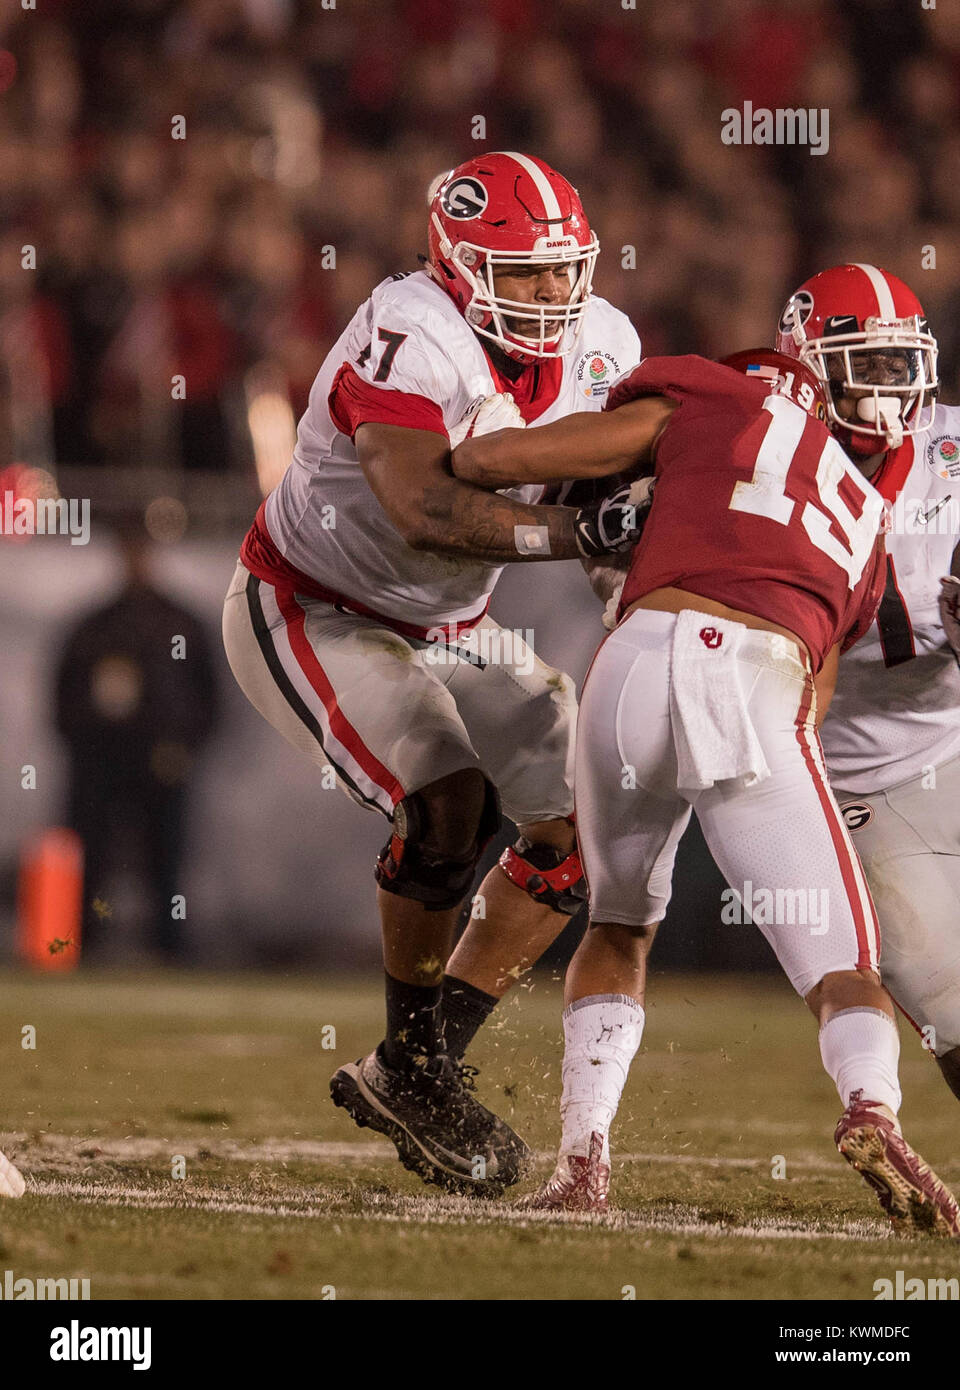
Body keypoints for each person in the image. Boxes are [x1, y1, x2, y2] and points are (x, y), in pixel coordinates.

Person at [451, 349, 960, 1235]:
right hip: (760, 675)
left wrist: (480, 466)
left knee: (618, 924)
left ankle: (582, 1160)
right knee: (842, 965)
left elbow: (500, 462)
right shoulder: (862, 511)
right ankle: (871, 1108)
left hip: (635, 660)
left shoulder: (709, 398)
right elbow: (820, 694)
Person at [222, 152, 644, 1195]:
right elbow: (425, 508)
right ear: (458, 264)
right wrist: (580, 530)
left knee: (578, 829)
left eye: (562, 272)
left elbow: (624, 505)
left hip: (455, 620)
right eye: (524, 272)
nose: (551, 296)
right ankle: (413, 1061)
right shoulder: (412, 331)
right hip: (314, 606)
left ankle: (415, 1066)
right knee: (445, 798)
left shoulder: (609, 344)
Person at [777, 265, 960, 1102]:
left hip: (952, 740)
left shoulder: (952, 450)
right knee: (953, 1008)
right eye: (866, 367)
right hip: (860, 783)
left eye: (899, 366)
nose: (889, 391)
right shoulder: (763, 461)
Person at [54, 523, 220, 962]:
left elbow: (208, 698)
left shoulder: (180, 623)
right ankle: (85, 945)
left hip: (161, 763)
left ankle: (170, 950)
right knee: (94, 859)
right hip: (102, 762)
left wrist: (183, 748)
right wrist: (86, 746)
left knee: (164, 863)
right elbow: (63, 696)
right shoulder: (94, 625)